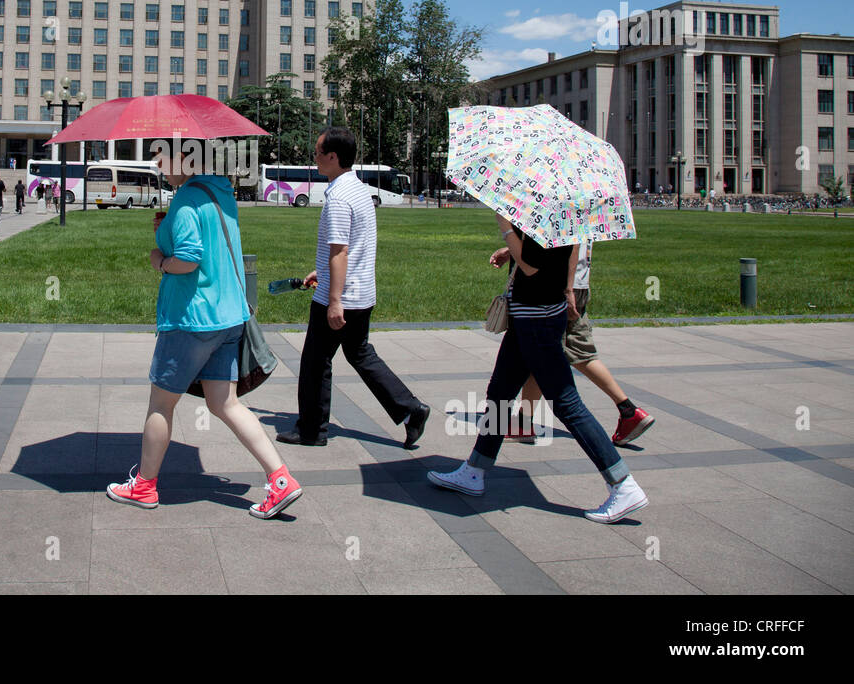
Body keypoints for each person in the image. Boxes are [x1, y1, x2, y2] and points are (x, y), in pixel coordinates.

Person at [107, 141, 302, 519]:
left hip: (191, 320)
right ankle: (280, 480)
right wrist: (167, 229)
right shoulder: (220, 192)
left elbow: (189, 260)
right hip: (229, 317)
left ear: (185, 158)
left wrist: (160, 260)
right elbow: (209, 243)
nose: (158, 164)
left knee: (161, 404)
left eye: (162, 156)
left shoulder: (184, 202)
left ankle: (144, 487)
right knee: (224, 403)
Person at [429, 215, 649, 524]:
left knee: (567, 403)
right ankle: (475, 470)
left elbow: (531, 265)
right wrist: (568, 288)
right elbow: (570, 252)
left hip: (536, 317)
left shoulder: (546, 213)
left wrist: (505, 228)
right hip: (535, 313)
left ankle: (622, 484)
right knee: (501, 392)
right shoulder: (564, 208)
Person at [277, 127, 431, 448]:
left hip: (341, 298)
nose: (315, 158)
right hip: (361, 294)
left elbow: (341, 250)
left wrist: (334, 300)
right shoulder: (359, 190)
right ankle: (411, 409)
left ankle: (311, 430)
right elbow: (352, 248)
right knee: (360, 354)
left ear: (333, 157)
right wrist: (321, 272)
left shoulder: (338, 197)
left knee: (315, 364)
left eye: (318, 153)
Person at [491, 239, 655, 445]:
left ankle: (625, 414)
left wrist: (567, 291)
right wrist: (513, 250)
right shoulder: (581, 207)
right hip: (577, 279)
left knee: (546, 351)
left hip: (558, 283)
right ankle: (628, 411)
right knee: (565, 350)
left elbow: (570, 242)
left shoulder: (568, 209)